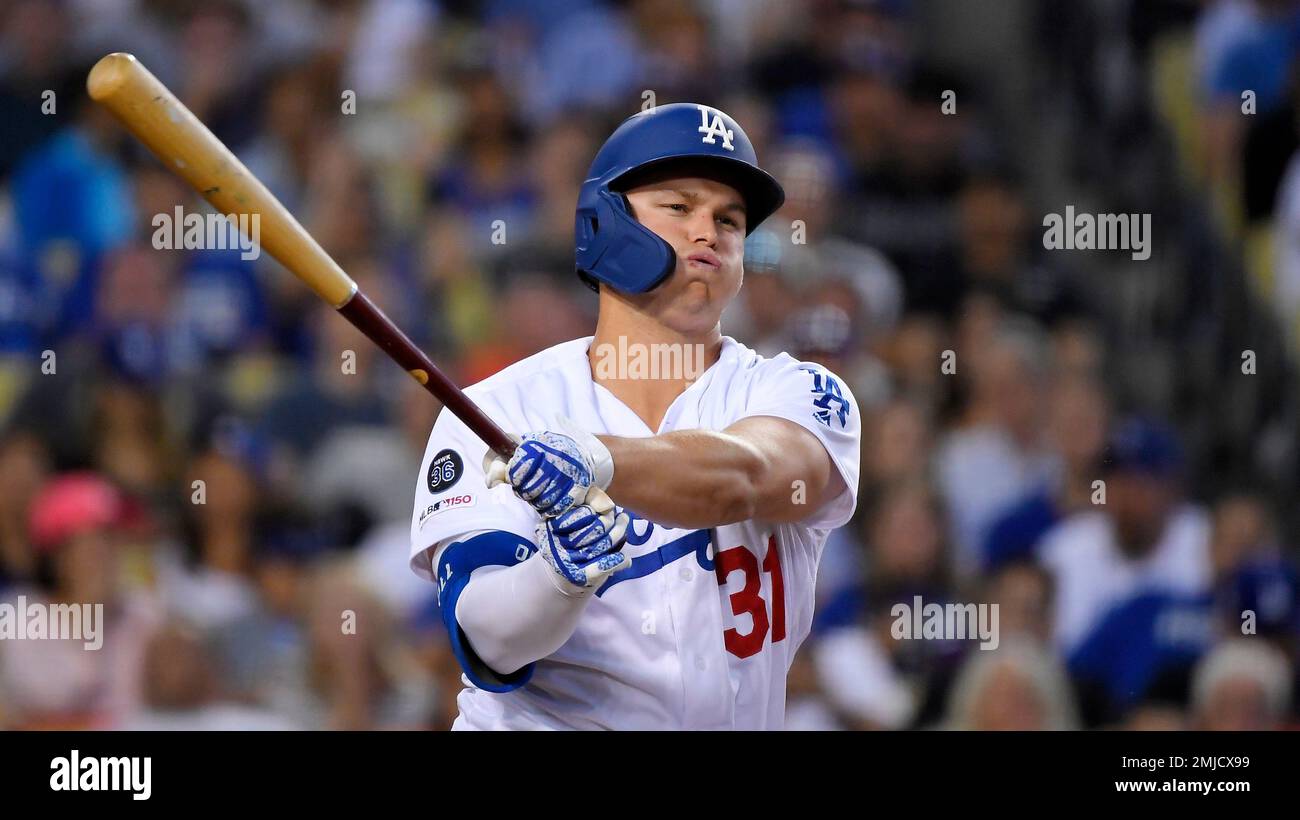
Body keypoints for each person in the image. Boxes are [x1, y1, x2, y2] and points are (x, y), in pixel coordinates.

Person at [408, 104, 861, 729]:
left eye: (728, 219)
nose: (709, 231)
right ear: (605, 222)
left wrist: (596, 459)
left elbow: (749, 477)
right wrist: (556, 578)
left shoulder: (795, 389)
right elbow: (488, 645)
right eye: (679, 208)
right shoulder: (500, 409)